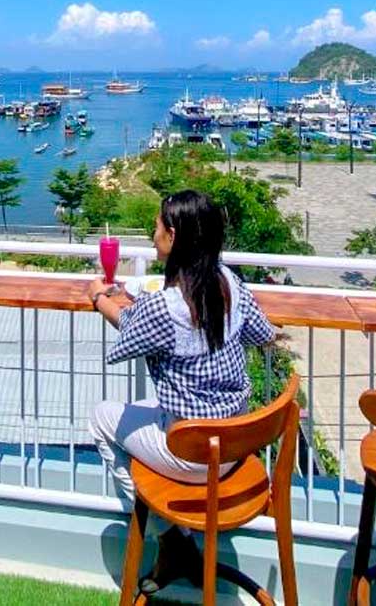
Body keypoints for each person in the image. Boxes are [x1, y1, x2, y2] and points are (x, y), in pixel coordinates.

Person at [86, 189, 279, 594]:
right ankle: (174, 543)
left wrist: (98, 297)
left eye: (156, 228)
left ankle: (169, 538)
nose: (152, 235)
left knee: (100, 417)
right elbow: (263, 334)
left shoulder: (167, 307)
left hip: (192, 454)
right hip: (235, 446)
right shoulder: (229, 283)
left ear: (173, 237)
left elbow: (127, 334)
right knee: (149, 406)